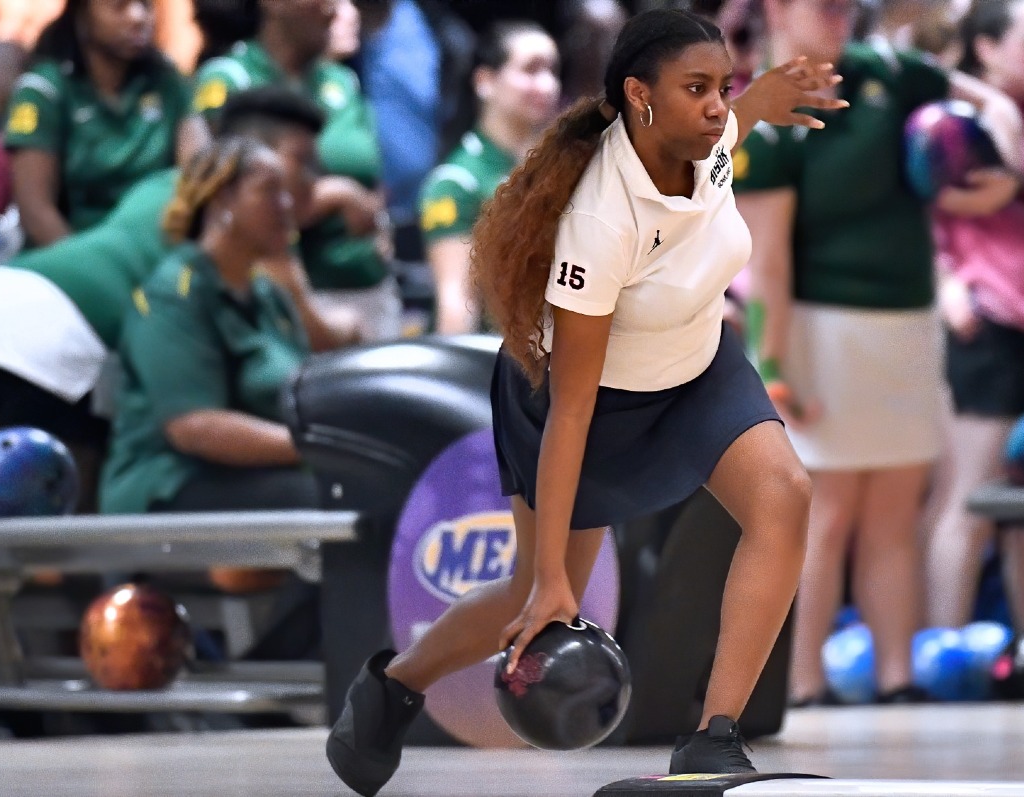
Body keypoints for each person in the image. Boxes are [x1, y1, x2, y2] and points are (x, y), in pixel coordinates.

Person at [326, 9, 844, 795]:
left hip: (697, 364)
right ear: (640, 97)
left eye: (721, 87)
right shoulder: (602, 217)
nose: (715, 105)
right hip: (587, 402)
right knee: (533, 588)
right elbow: (572, 408)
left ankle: (715, 734)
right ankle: (398, 683)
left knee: (786, 495)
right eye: (696, 89)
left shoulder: (701, 141)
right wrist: (552, 587)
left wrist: (763, 97)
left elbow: (733, 125)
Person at [733, 0, 1024, 707]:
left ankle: (898, 677)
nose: (838, 12)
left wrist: (1001, 161)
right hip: (818, 329)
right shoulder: (763, 118)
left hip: (907, 322)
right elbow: (765, 262)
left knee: (896, 511)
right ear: (777, 8)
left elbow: (989, 115)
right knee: (825, 515)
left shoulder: (888, 75)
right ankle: (800, 685)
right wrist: (768, 365)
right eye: (820, 4)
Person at [0, 88, 352, 509]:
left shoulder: (170, 185)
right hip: (55, 330)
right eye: (303, 162)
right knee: (48, 511)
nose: (310, 182)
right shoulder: (219, 249)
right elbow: (320, 336)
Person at [926, 0, 1024, 637]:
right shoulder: (952, 125)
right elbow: (921, 205)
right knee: (973, 497)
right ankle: (939, 661)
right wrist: (946, 284)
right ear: (986, 48)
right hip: (988, 322)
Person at [100, 135, 315, 515]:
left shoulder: (271, 297)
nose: (286, 206)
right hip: (168, 488)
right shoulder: (175, 293)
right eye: (269, 191)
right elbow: (192, 427)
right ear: (222, 201)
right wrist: (314, 449)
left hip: (253, 477)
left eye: (287, 192)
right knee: (323, 502)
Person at [188, 0, 400, 341]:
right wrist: (336, 194)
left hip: (369, 284)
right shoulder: (229, 78)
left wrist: (377, 220)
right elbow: (218, 200)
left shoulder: (341, 80)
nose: (334, 9)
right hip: (287, 289)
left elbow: (368, 171)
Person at [4, 0, 191, 246]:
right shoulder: (44, 90)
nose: (137, 16)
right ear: (82, 13)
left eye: (145, 4)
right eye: (119, 5)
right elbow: (36, 212)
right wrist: (94, 269)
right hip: (74, 255)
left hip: (157, 251)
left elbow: (197, 176)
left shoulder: (166, 79)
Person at [420, 21, 561, 335]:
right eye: (531, 70)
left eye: (552, 71)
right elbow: (456, 301)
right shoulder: (458, 182)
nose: (547, 85)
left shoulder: (563, 169)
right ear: (485, 81)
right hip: (497, 361)